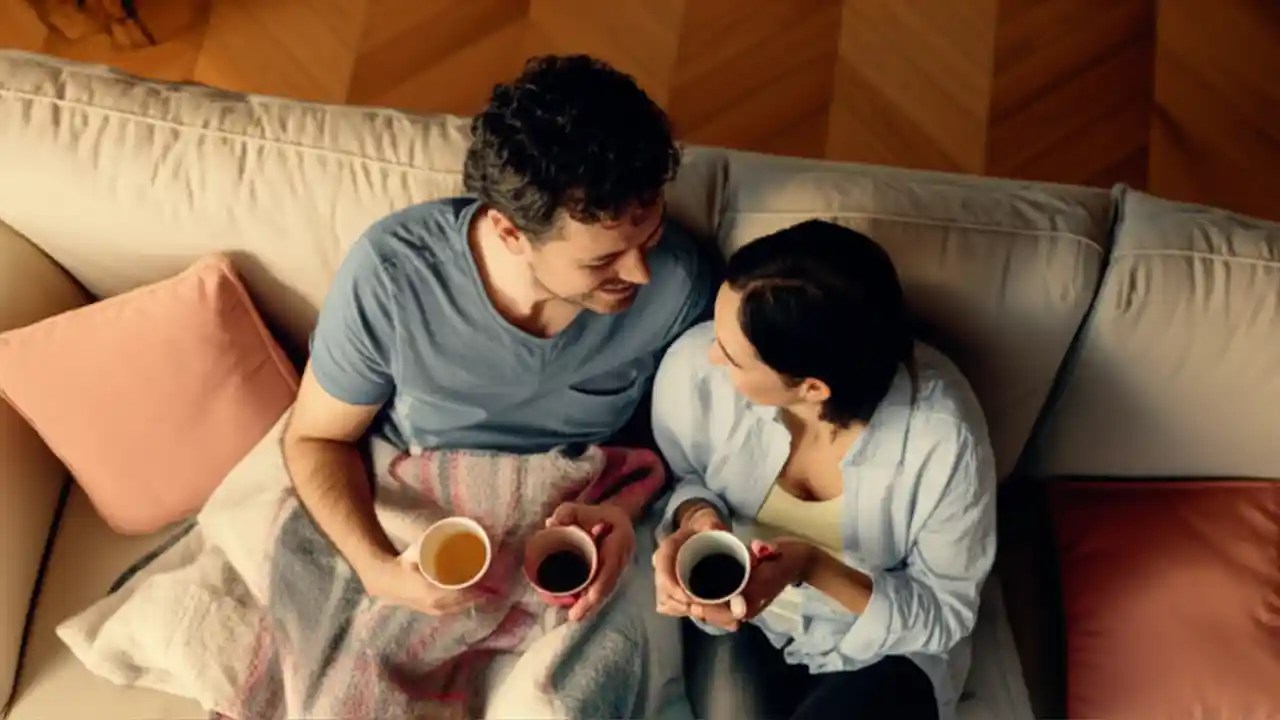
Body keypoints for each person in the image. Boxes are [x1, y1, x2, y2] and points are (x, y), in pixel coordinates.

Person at [282, 54, 713, 623]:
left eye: (650, 235)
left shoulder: (681, 283)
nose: (640, 275)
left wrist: (621, 510)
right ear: (511, 232)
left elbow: (683, 449)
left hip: (578, 523)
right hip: (422, 511)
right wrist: (376, 568)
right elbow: (315, 440)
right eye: (604, 260)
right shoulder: (393, 278)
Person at [650, 220, 996, 720]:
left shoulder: (943, 439)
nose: (710, 354)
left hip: (881, 650)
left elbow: (946, 612)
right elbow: (684, 480)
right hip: (748, 624)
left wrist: (812, 567)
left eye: (731, 355)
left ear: (812, 388)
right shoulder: (694, 374)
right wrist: (697, 518)